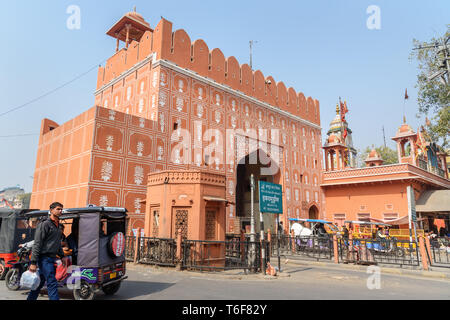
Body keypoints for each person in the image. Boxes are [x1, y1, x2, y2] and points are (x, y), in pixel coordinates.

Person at [27, 202, 65, 300]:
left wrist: (62, 256)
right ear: (51, 210)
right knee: (52, 282)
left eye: (61, 209)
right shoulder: (45, 224)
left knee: (38, 283)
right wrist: (33, 262)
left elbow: (57, 242)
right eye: (58, 209)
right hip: (44, 259)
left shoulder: (57, 225)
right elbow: (37, 243)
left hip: (52, 258)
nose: (60, 211)